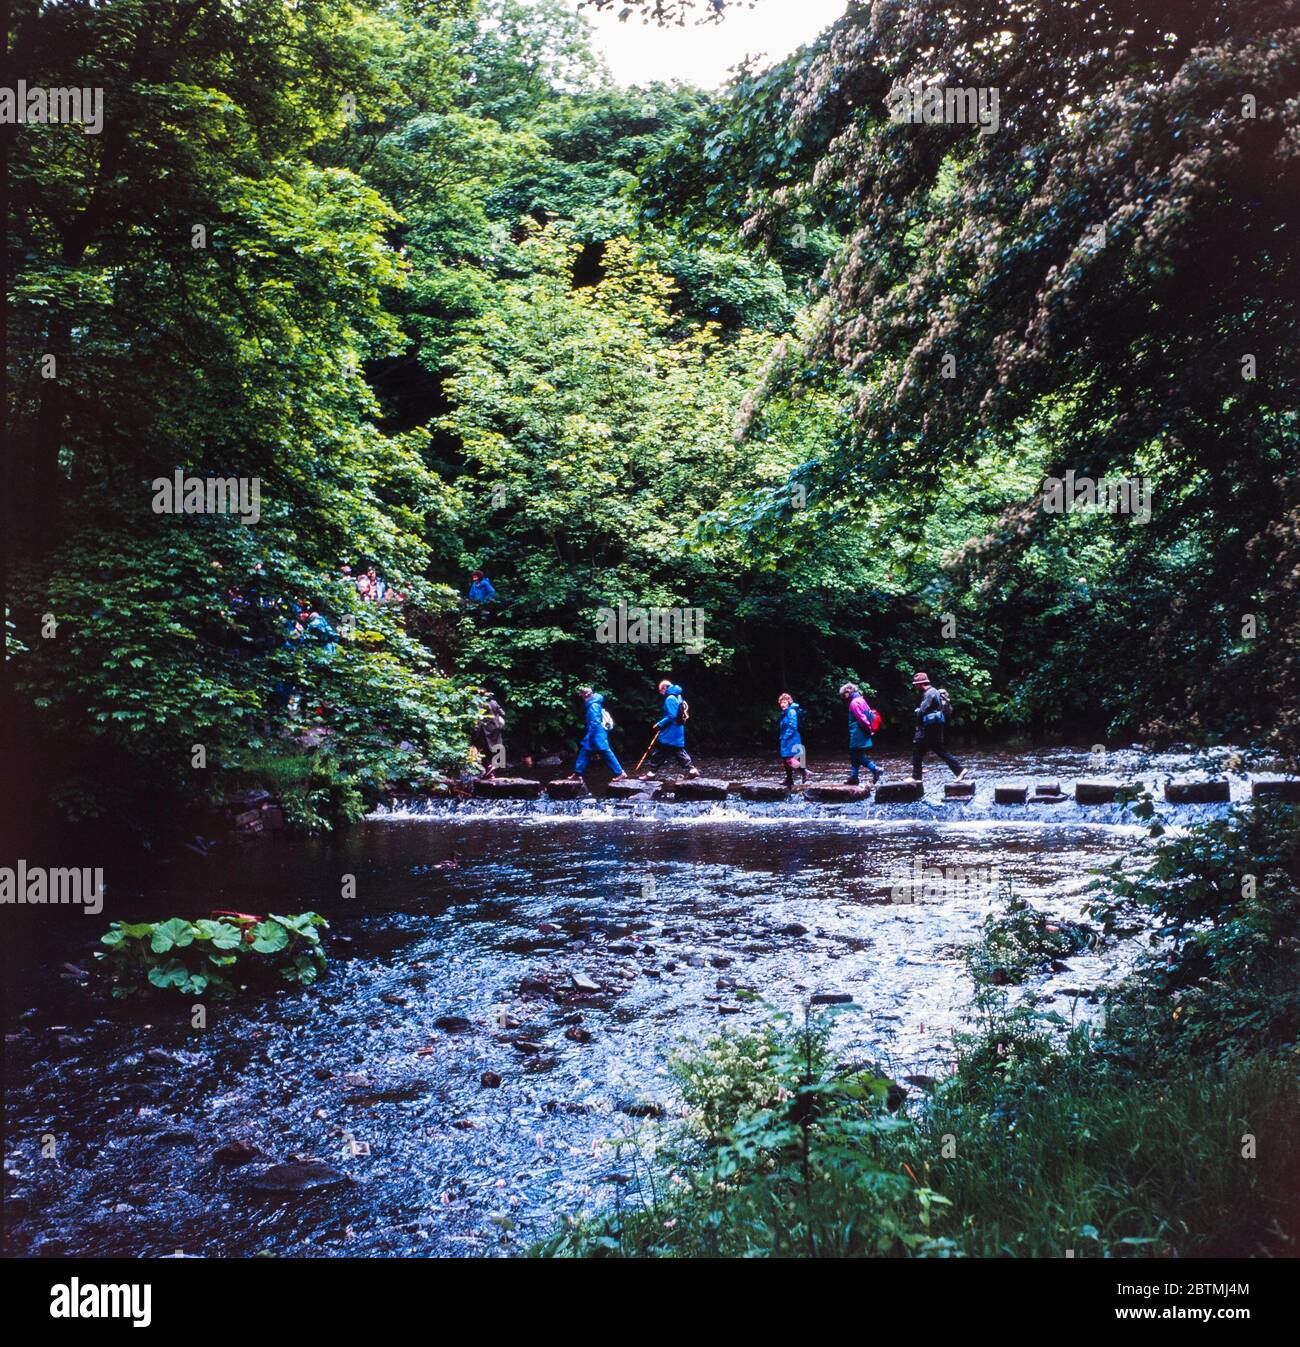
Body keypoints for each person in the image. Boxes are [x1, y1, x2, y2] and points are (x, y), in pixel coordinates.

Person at [909, 671, 967, 782]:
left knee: (921, 749)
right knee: (927, 750)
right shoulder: (934, 692)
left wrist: (917, 717)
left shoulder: (929, 693)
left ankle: (916, 777)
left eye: (916, 684)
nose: (915, 686)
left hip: (929, 727)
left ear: (921, 684)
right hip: (935, 726)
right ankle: (959, 770)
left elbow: (922, 710)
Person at [645, 679, 698, 778]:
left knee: (661, 751)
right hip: (678, 729)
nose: (660, 693)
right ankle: (692, 770)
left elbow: (671, 716)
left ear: (665, 688)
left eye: (660, 690)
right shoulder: (678, 696)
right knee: (678, 751)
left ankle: (651, 774)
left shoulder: (669, 698)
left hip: (670, 730)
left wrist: (659, 724)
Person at [574, 686, 627, 781]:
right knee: (584, 752)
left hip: (597, 734)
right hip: (595, 734)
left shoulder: (593, 705)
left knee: (606, 752)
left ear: (585, 695)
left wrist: (589, 736)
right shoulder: (592, 704)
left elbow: (595, 723)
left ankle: (620, 773)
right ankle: (577, 773)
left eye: (582, 695)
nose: (581, 698)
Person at [839, 682, 884, 785]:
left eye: (843, 695)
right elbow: (869, 715)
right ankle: (854, 777)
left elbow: (861, 719)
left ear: (848, 691)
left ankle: (875, 769)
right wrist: (870, 729)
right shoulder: (861, 700)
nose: (843, 698)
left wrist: (868, 729)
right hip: (862, 731)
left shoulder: (854, 702)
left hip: (858, 732)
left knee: (856, 755)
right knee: (856, 754)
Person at [471, 691, 506, 779]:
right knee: (495, 749)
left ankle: (488, 770)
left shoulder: (479, 703)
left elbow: (477, 718)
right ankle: (492, 771)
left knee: (481, 749)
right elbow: (503, 713)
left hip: (485, 730)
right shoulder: (494, 702)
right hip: (495, 729)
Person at [777, 693, 806, 790]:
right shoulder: (785, 712)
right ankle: (790, 779)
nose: (782, 704)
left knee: (790, 759)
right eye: (781, 702)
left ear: (789, 702)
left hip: (791, 739)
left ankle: (804, 772)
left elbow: (793, 726)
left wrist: (785, 736)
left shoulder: (791, 711)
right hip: (786, 738)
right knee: (786, 760)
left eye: (784, 702)